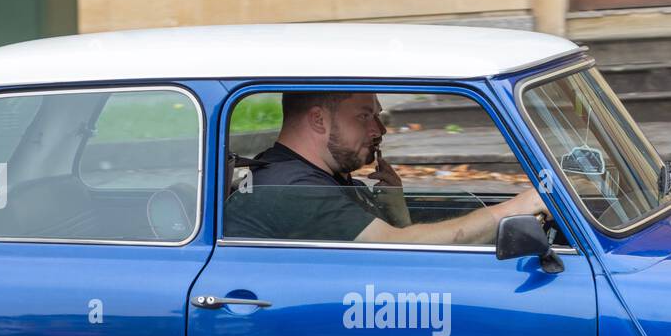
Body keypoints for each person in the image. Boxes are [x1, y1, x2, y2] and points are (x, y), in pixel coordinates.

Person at [224, 91, 546, 243]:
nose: (380, 130)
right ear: (318, 120)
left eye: (376, 115)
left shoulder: (316, 177)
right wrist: (516, 207)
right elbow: (400, 250)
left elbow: (389, 248)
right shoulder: (292, 190)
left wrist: (393, 203)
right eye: (364, 116)